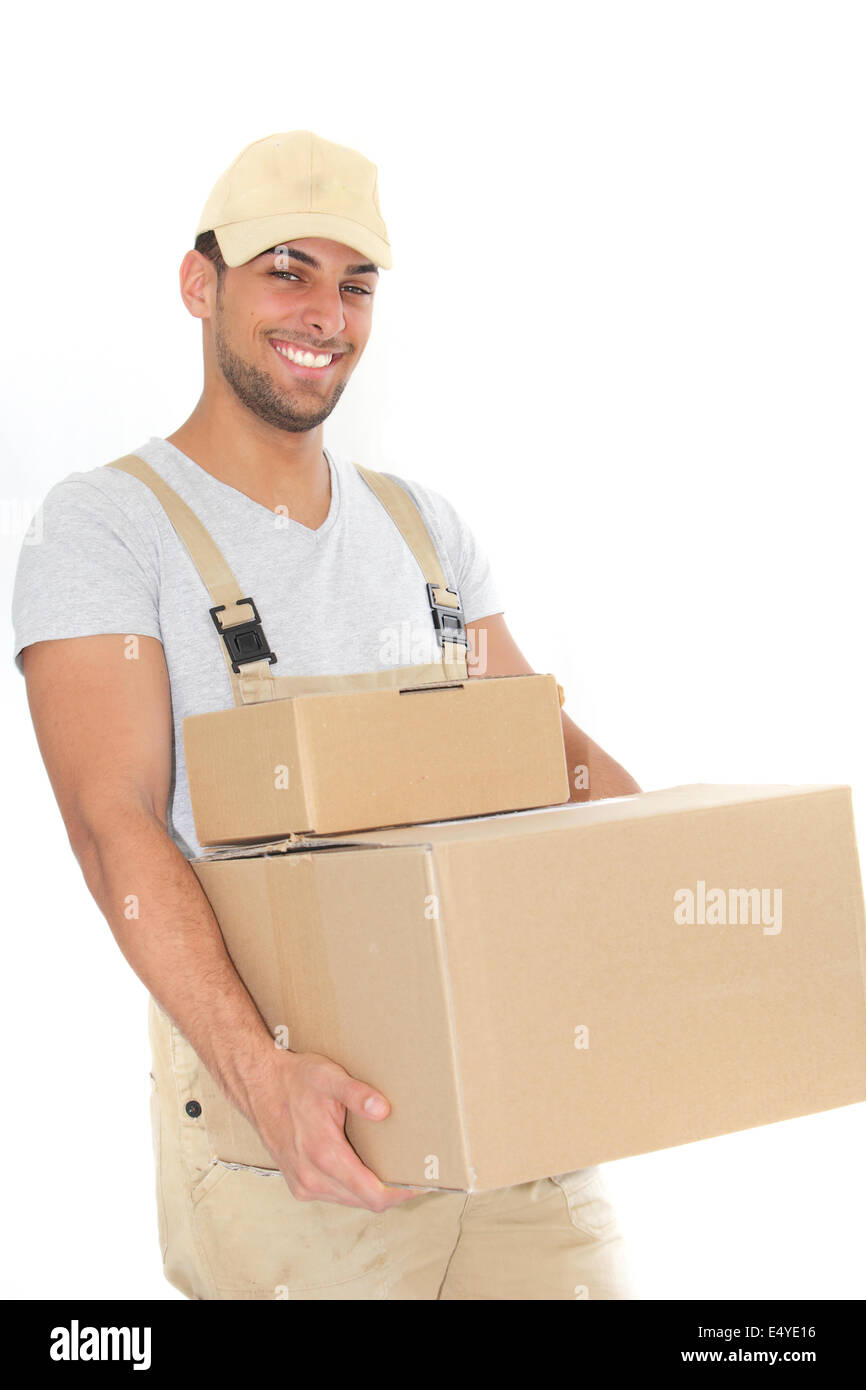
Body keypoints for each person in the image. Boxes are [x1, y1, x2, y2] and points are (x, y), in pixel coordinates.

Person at [11, 129, 641, 1300]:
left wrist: (672, 892)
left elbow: (546, 761)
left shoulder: (423, 530)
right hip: (294, 1144)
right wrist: (262, 1077)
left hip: (514, 1107)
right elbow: (116, 829)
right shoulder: (106, 526)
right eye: (287, 269)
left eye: (356, 284)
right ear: (201, 284)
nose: (327, 314)